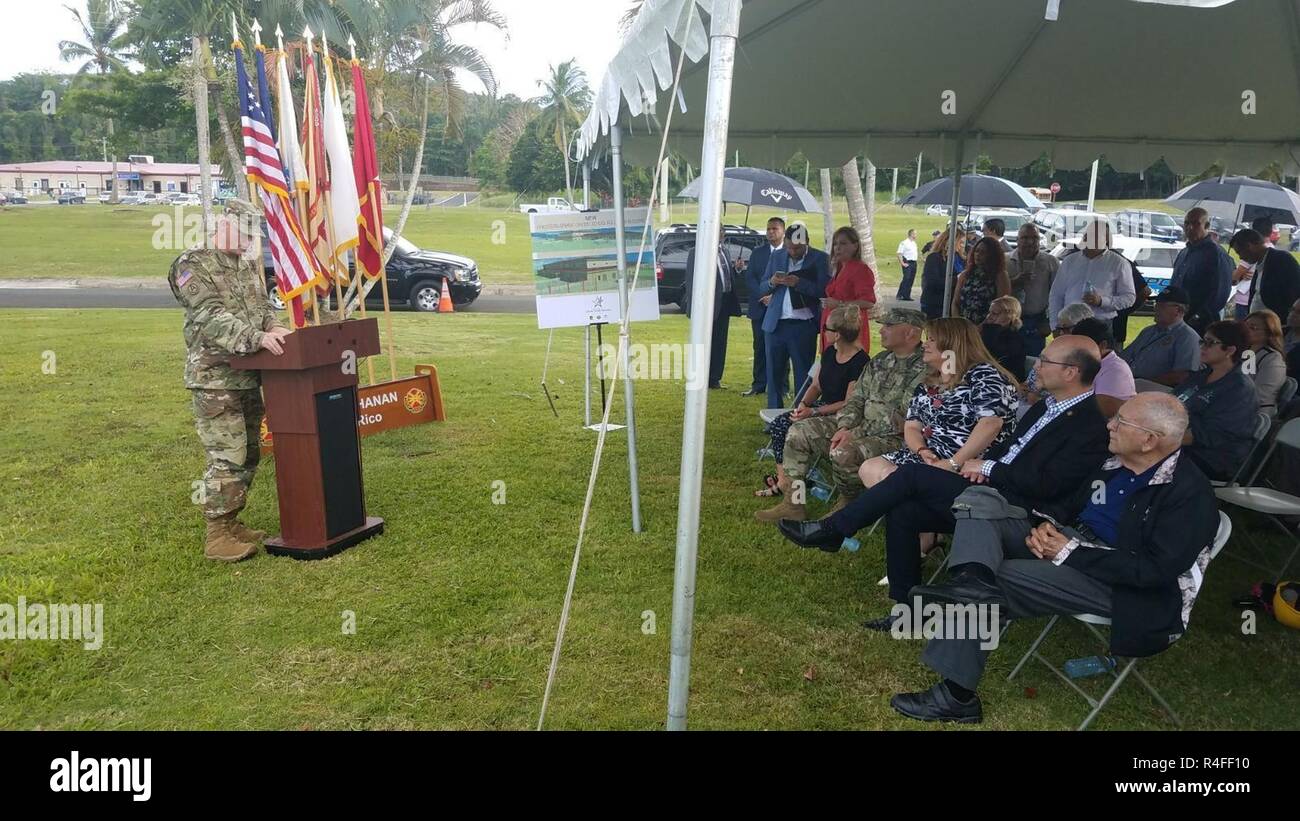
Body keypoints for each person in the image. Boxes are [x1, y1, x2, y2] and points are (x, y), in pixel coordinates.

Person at [890, 393, 1219, 723]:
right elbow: (1069, 505)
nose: (1110, 424)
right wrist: (1045, 526)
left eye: (1121, 421)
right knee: (979, 501)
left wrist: (1067, 552)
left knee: (999, 577)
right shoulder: (1114, 464)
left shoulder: (1188, 494)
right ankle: (970, 582)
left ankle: (956, 696)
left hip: (1126, 587)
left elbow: (1153, 571)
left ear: (1149, 440)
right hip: (1072, 543)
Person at [778, 336, 1110, 620]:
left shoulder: (1089, 426)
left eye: (1046, 360)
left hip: (1022, 511)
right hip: (993, 490)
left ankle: (834, 530)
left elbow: (1049, 486)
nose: (1037, 365)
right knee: (905, 511)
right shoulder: (1045, 407)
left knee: (912, 477)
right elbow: (1009, 450)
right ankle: (906, 608)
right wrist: (981, 464)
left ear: (1071, 372)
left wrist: (986, 468)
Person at [169, 199, 291, 563]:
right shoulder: (192, 264)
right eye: (244, 233)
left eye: (253, 236)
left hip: (247, 377)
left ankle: (232, 522)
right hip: (214, 380)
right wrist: (257, 339)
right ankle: (217, 534)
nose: (249, 243)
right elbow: (209, 316)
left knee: (250, 453)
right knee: (227, 456)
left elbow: (261, 309)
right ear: (224, 224)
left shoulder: (245, 265)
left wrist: (274, 326)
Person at [766, 308, 928, 518]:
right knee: (798, 431)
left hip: (894, 438)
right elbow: (856, 399)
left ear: (910, 333)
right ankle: (794, 503)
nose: (881, 332)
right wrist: (844, 426)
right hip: (857, 426)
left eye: (889, 326)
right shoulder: (880, 360)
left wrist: (854, 433)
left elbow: (902, 418)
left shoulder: (926, 367)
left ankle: (848, 501)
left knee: (843, 453)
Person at [853, 318, 1018, 492]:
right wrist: (921, 449)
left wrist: (952, 463)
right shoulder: (928, 384)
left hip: (969, 464)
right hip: (929, 457)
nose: (924, 344)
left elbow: (991, 424)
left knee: (893, 476)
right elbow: (912, 427)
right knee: (870, 468)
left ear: (953, 343)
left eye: (931, 339)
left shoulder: (984, 376)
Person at [754, 306, 869, 521]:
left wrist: (813, 410)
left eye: (826, 328)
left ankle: (789, 491)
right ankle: (787, 488)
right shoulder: (829, 353)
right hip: (817, 409)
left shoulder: (860, 362)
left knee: (794, 431)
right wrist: (803, 404)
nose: (823, 331)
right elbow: (816, 385)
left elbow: (849, 402)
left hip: (841, 417)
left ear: (838, 333)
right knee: (780, 425)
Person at [1172, 319, 1258, 481]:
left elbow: (1211, 435)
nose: (1202, 347)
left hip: (1212, 459)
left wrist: (1160, 439)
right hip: (1180, 445)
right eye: (1202, 341)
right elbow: (1170, 403)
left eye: (1210, 343)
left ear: (1230, 350)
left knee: (1139, 456)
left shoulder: (1239, 389)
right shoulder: (1200, 376)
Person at [758, 223, 831, 409]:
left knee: (802, 375)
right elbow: (762, 287)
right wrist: (772, 282)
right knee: (773, 375)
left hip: (802, 326)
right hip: (775, 325)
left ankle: (798, 415)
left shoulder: (820, 259)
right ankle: (773, 419)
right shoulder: (777, 256)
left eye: (797, 248)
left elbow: (824, 290)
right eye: (789, 247)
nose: (792, 251)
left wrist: (800, 283)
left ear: (807, 243)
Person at [1047, 217, 1135, 332]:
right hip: (1069, 325)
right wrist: (1055, 325)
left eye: (1098, 236)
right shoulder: (1070, 261)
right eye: (1089, 234)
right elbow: (1056, 295)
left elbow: (1129, 297)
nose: (1092, 238)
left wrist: (1101, 301)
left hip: (1100, 324)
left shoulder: (1119, 263)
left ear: (1107, 239)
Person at [682, 225, 743, 390]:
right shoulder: (698, 251)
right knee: (703, 343)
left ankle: (714, 378)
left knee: (720, 342)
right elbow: (691, 281)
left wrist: (736, 269)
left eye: (722, 232)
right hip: (706, 306)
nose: (720, 234)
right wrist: (695, 307)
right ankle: (700, 378)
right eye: (717, 231)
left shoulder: (724, 250)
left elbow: (725, 275)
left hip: (724, 303)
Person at [738, 217, 786, 397]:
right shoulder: (758, 252)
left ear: (783, 231)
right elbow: (750, 278)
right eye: (768, 229)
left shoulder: (789, 253)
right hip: (759, 308)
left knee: (781, 348)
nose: (770, 232)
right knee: (759, 347)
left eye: (774, 229)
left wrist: (773, 297)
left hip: (780, 309)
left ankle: (782, 386)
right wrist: (762, 295)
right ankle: (759, 384)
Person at [1119, 286, 1202, 388]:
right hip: (1132, 383)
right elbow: (1123, 358)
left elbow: (1182, 376)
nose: (1156, 309)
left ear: (1179, 310)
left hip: (1160, 392)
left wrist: (1142, 383)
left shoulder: (1187, 337)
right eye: (1156, 305)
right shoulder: (1148, 331)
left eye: (1162, 306)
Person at [1171, 207, 1232, 335]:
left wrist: (1198, 317)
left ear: (1207, 226)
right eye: (1187, 223)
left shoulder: (1216, 254)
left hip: (1200, 324)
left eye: (1196, 223)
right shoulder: (1184, 253)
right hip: (1175, 319)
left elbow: (1220, 294)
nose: (1190, 228)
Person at [820, 226, 877, 352]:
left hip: (848, 330)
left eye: (843, 243)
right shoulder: (839, 267)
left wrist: (840, 304)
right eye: (835, 244)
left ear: (855, 246)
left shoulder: (860, 269)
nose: (837, 248)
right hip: (832, 327)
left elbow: (868, 301)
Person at [1006, 223, 1059, 357]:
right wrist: (1015, 281)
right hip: (1007, 320)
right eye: (1024, 238)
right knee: (1007, 361)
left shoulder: (1050, 261)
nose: (1029, 242)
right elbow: (996, 290)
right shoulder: (1005, 260)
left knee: (1033, 364)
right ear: (1017, 240)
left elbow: (1057, 294)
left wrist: (1049, 323)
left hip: (1036, 322)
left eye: (1034, 238)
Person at [1069, 317, 1135, 418]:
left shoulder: (1115, 370)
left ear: (1102, 345)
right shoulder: (1088, 362)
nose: (1076, 351)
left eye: (1082, 347)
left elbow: (1102, 410)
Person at [1229, 228, 1300, 322]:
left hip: (1277, 325)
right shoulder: (1259, 264)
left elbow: (1294, 292)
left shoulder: (1282, 260)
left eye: (1239, 252)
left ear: (1249, 246)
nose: (1241, 257)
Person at [952, 236, 1011, 325]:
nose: (978, 254)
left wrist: (981, 328)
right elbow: (955, 303)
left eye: (983, 252)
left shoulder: (1000, 276)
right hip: (963, 326)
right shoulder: (965, 275)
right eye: (976, 251)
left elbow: (1002, 306)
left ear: (991, 255)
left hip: (987, 327)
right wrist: (958, 323)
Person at [1243, 309, 1288, 417]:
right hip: (1234, 406)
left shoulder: (1273, 360)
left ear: (1269, 333)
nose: (1245, 330)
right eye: (1244, 326)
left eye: (1253, 328)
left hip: (1255, 415)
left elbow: (1260, 396)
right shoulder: (1246, 351)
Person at [920, 227, 967, 320]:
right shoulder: (934, 258)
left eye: (964, 243)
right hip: (936, 304)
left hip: (954, 305)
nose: (962, 246)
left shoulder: (961, 259)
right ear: (950, 241)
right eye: (960, 242)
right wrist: (957, 279)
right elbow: (932, 282)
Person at [980, 295, 1027, 383]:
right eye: (989, 312)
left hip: (1006, 382)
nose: (988, 316)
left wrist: (991, 329)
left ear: (1009, 316)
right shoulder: (986, 332)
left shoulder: (1014, 339)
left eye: (995, 313)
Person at [1112, 256, 1150, 348]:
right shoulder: (1076, 258)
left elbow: (1145, 292)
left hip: (1114, 330)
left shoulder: (1120, 262)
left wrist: (1124, 311)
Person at [896, 228, 919, 301]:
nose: (916, 235)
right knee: (906, 278)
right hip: (907, 262)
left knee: (911, 279)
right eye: (915, 234)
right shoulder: (904, 243)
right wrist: (902, 263)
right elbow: (899, 253)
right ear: (911, 234)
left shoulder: (914, 243)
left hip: (914, 262)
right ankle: (900, 294)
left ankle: (907, 295)